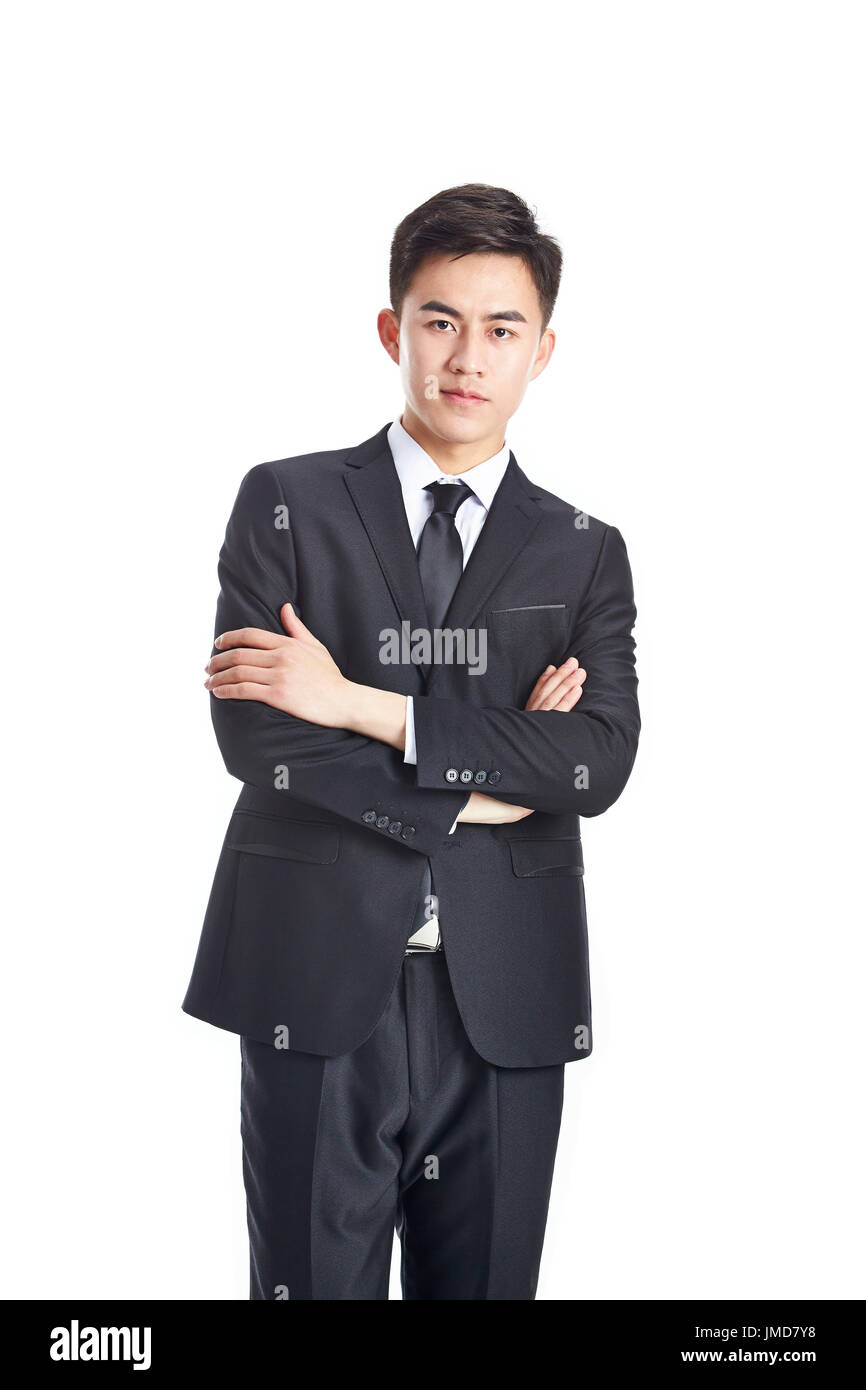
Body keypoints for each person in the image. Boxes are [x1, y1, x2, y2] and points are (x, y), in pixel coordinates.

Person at [183, 182, 641, 1300]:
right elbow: (256, 736)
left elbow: (594, 763)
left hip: (505, 993)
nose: (465, 356)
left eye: (501, 329)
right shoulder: (284, 501)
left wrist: (358, 704)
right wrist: (491, 781)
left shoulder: (582, 552)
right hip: (313, 973)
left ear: (542, 351)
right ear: (392, 331)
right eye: (438, 321)